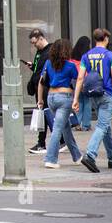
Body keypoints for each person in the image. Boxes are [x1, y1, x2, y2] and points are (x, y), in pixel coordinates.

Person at [80, 29, 112, 173]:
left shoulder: (86, 56)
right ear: (105, 38)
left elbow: (81, 78)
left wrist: (75, 98)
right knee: (102, 126)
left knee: (105, 128)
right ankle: (90, 155)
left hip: (94, 95)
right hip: (108, 95)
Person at [37, 38, 82, 169]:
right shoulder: (70, 65)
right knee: (58, 129)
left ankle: (77, 156)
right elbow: (78, 81)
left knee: (65, 127)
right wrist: (76, 99)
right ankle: (50, 159)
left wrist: (40, 100)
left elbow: (41, 82)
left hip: (50, 98)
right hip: (64, 98)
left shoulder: (48, 63)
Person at [23, 29, 50, 153]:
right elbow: (38, 68)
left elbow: (45, 71)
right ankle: (58, 141)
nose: (34, 46)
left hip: (44, 88)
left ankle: (42, 143)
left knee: (45, 114)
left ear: (41, 38)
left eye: (35, 43)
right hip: (38, 87)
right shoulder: (39, 52)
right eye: (32, 44)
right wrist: (32, 66)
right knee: (45, 115)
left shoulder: (49, 51)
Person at [70, 36, 94, 130]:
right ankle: (86, 125)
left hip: (75, 80)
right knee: (87, 102)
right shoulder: (87, 56)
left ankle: (77, 123)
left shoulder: (72, 55)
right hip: (85, 79)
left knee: (78, 101)